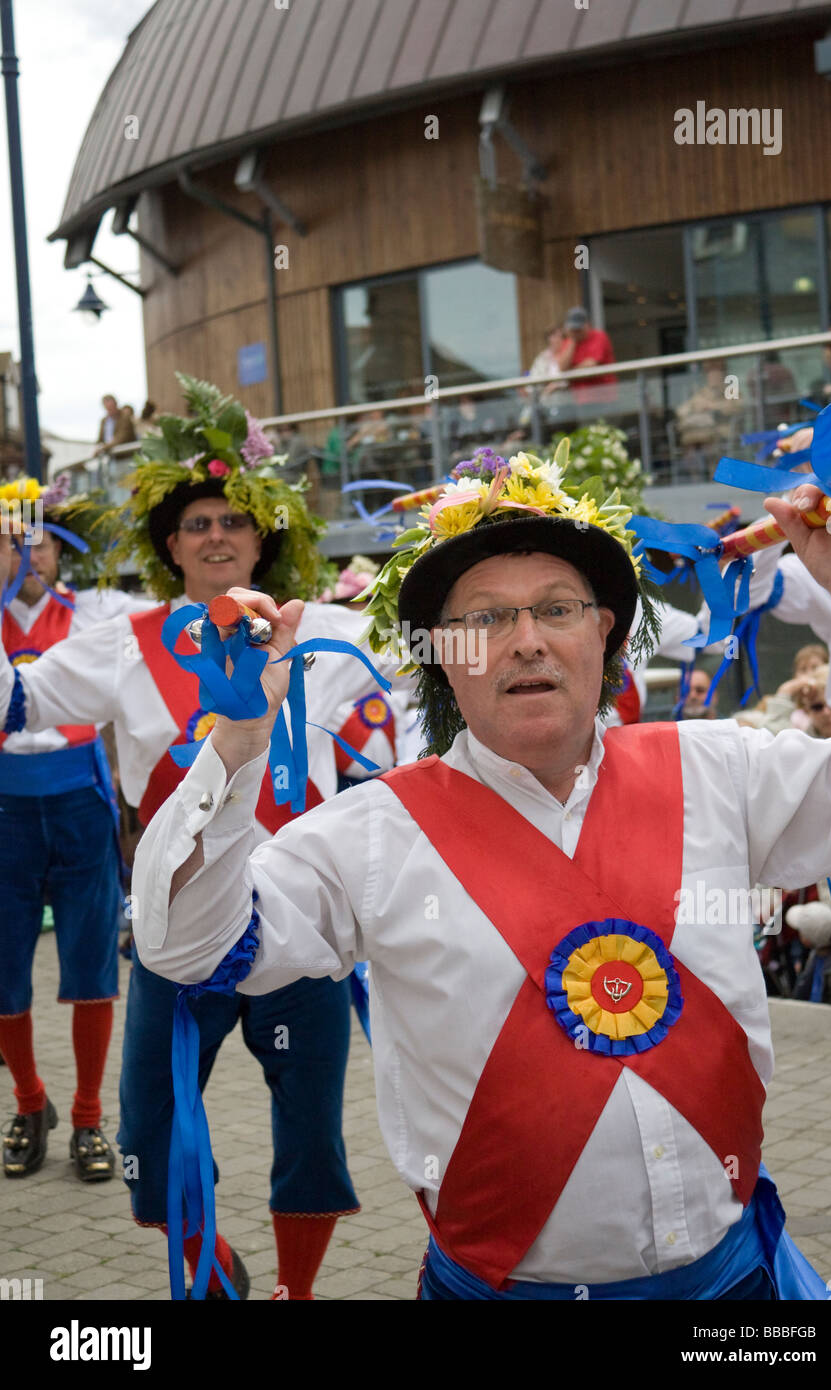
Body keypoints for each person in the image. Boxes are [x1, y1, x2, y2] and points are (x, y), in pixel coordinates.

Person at [132, 442, 831, 1300]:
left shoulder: (722, 769)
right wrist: (238, 740)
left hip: (739, 1292)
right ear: (440, 655)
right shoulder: (373, 834)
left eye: (557, 608)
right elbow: (183, 946)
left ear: (606, 633)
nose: (526, 642)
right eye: (485, 619)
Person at [0, 377, 405, 1300]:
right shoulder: (122, 643)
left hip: (305, 944)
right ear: (169, 546)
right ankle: (204, 1270)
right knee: (145, 1140)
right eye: (195, 525)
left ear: (266, 538)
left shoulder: (333, 634)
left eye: (232, 520)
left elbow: (445, 669)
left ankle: (295, 1294)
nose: (216, 535)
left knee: (310, 1142)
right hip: (180, 940)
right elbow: (12, 703)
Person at [0, 475, 151, 1182]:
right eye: (12, 540)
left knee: (92, 966)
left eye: (41, 541)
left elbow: (171, 620)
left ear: (61, 551)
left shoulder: (97, 614)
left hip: (80, 805)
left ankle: (90, 1116)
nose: (29, 554)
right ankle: (30, 1103)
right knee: (5, 975)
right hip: (5, 812)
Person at [555, 306, 617, 405]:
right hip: (581, 400)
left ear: (587, 325)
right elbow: (562, 368)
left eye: (578, 329)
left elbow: (590, 365)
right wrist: (573, 342)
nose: (576, 332)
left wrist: (570, 373)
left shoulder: (599, 337)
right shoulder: (569, 342)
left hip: (604, 397)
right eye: (573, 329)